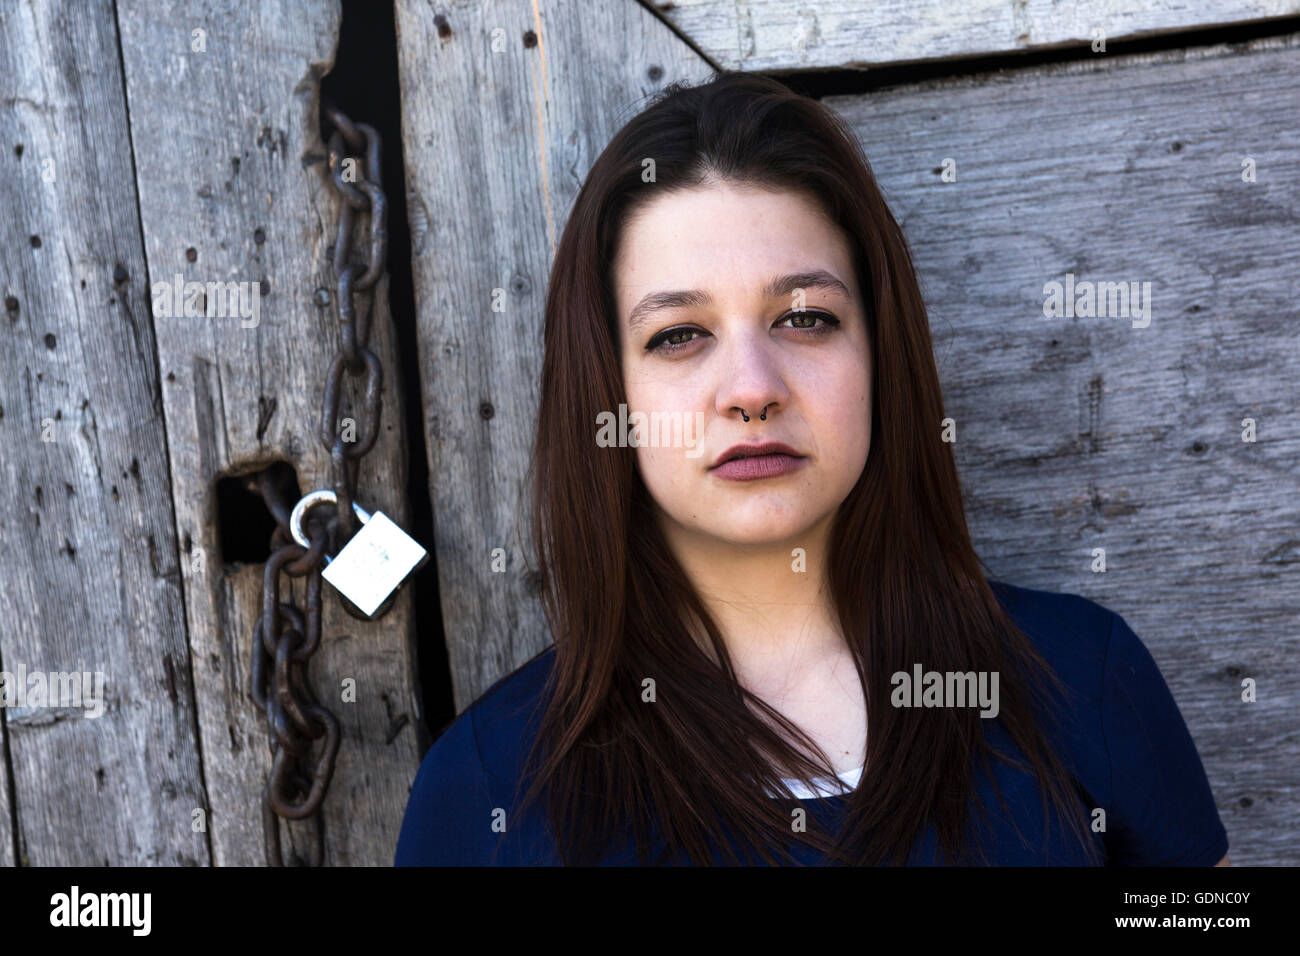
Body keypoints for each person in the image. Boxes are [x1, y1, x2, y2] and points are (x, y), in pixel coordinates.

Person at [395, 71, 1230, 866]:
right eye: (679, 334)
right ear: (607, 388)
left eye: (804, 318)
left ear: (879, 353)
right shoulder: (486, 789)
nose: (752, 390)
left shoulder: (1084, 680)